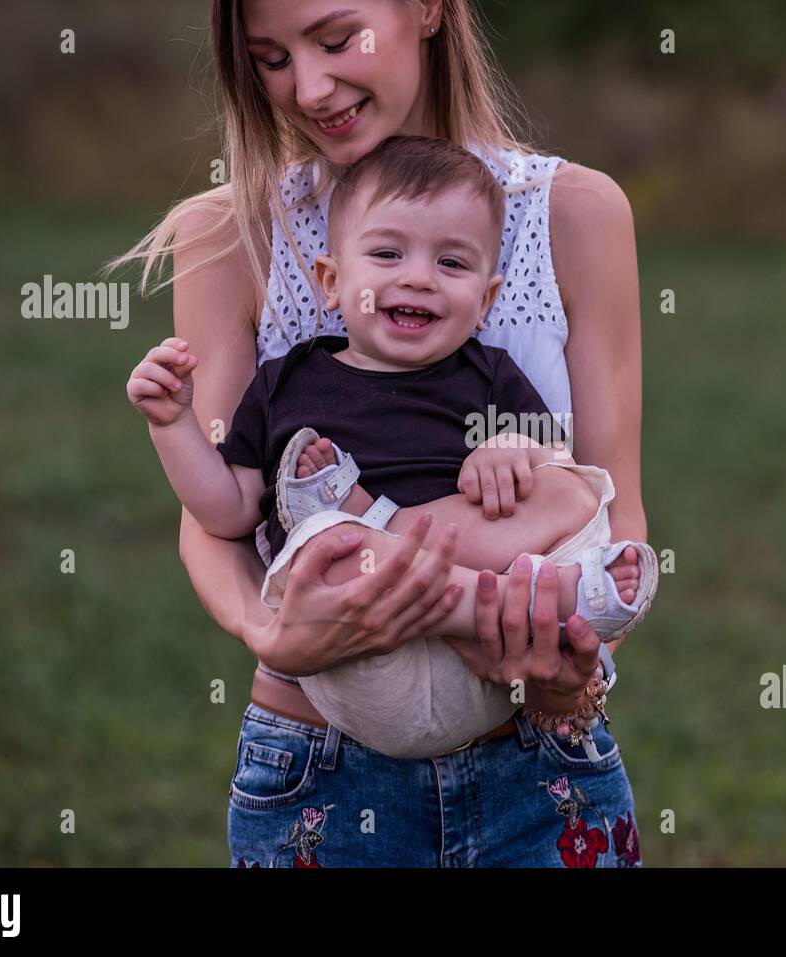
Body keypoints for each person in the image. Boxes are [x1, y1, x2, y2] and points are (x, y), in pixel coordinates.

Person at [112, 0, 648, 867]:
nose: (309, 87)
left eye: (333, 38)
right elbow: (215, 517)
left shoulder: (577, 213)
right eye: (271, 57)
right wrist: (270, 631)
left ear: (429, 9)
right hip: (318, 763)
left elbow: (612, 502)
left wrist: (566, 675)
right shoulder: (229, 234)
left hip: (538, 766)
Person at [127, 135, 658, 759]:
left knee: (572, 490)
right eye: (386, 253)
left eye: (452, 265)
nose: (417, 278)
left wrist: (512, 449)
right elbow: (226, 510)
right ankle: (537, 594)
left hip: (487, 677)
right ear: (331, 280)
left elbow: (562, 470)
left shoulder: (488, 375)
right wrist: (172, 426)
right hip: (367, 658)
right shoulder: (289, 384)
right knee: (322, 546)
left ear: (486, 300)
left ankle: (391, 535)